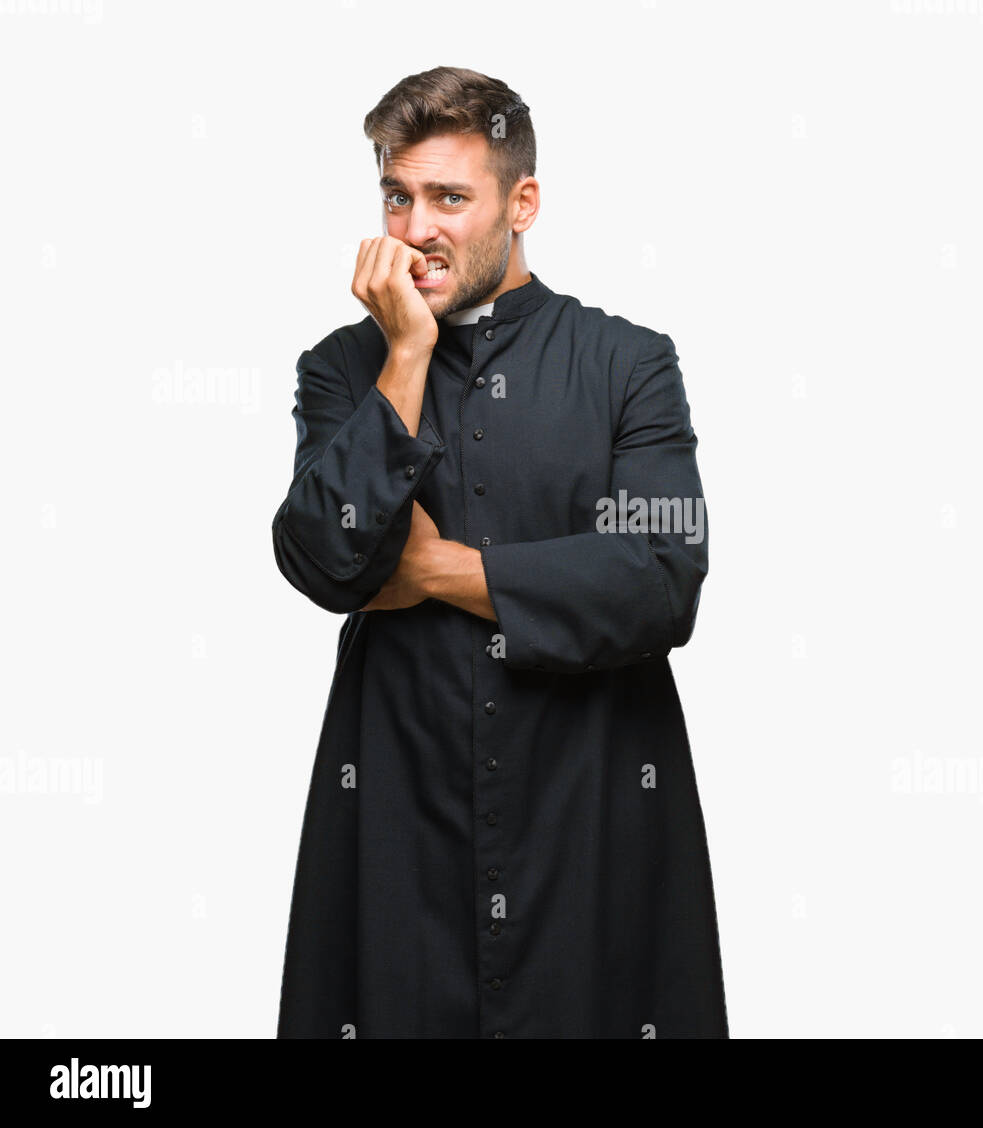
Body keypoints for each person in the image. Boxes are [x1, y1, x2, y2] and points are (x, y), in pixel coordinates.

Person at [271, 66, 727, 1038]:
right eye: (397, 196)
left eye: (448, 198)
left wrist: (437, 571)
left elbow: (660, 581)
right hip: (399, 804)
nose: (415, 228)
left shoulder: (626, 363)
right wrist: (404, 355)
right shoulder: (342, 366)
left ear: (521, 203)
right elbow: (325, 558)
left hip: (588, 811)